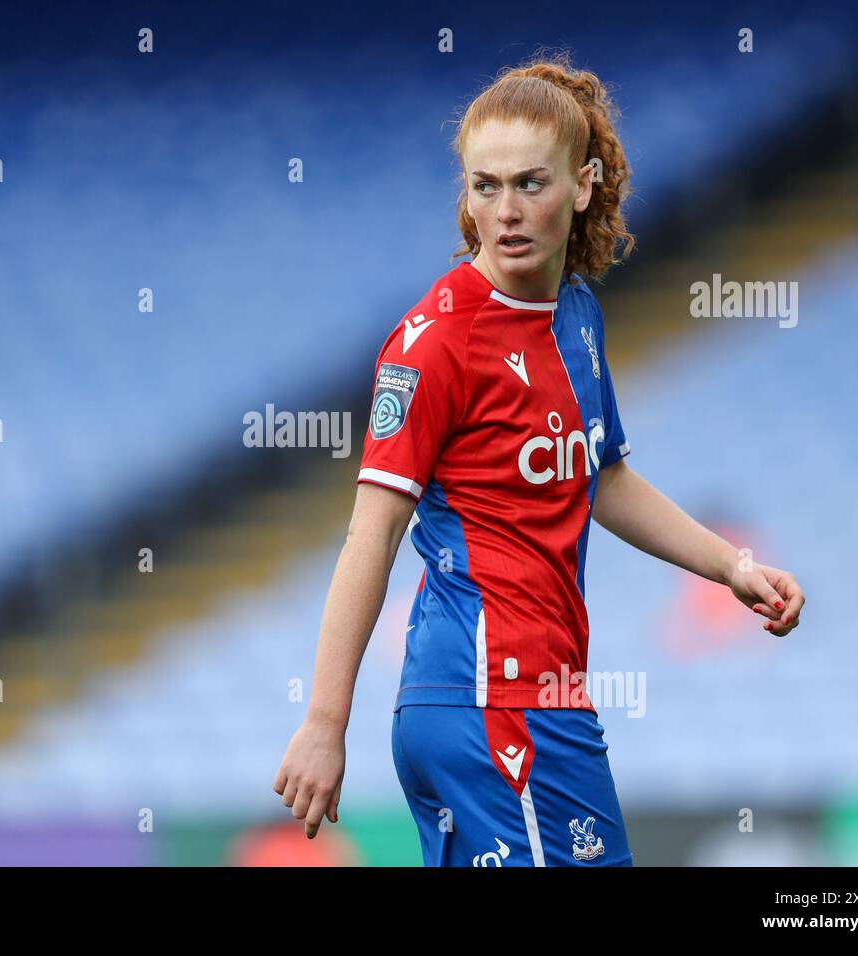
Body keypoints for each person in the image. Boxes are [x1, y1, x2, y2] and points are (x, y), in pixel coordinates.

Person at [271, 54, 806, 866]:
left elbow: (604, 477)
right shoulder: (436, 343)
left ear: (584, 183)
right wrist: (323, 722)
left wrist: (731, 568)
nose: (507, 211)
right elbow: (369, 538)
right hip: (490, 700)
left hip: (533, 698)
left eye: (530, 182)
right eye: (485, 186)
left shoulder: (577, 315)